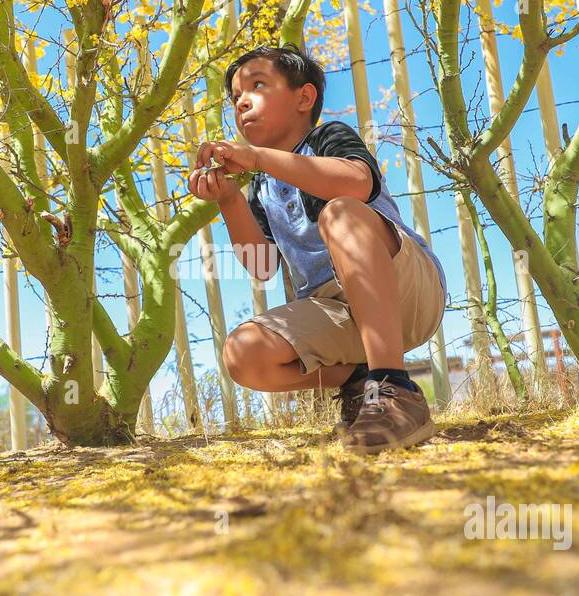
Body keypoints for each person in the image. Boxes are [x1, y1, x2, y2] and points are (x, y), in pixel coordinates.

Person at [187, 44, 448, 454]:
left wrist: (257, 157)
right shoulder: (260, 184)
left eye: (257, 86)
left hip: (406, 291)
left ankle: (394, 388)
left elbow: (356, 184)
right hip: (337, 314)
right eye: (235, 98)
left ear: (304, 98)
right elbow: (261, 266)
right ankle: (360, 383)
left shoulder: (328, 137)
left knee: (340, 213)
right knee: (243, 354)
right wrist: (229, 200)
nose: (242, 103)